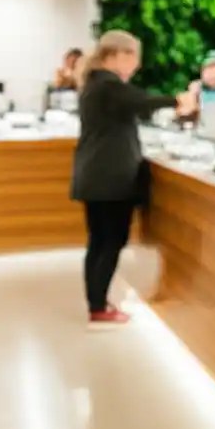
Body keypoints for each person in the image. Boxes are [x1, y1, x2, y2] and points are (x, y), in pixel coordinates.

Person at [71, 31, 196, 326]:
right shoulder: (107, 85)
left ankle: (97, 303)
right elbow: (144, 102)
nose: (136, 65)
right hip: (109, 177)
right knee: (110, 241)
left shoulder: (98, 84)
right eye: (134, 58)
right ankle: (99, 306)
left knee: (100, 241)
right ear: (117, 55)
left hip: (96, 174)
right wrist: (180, 100)